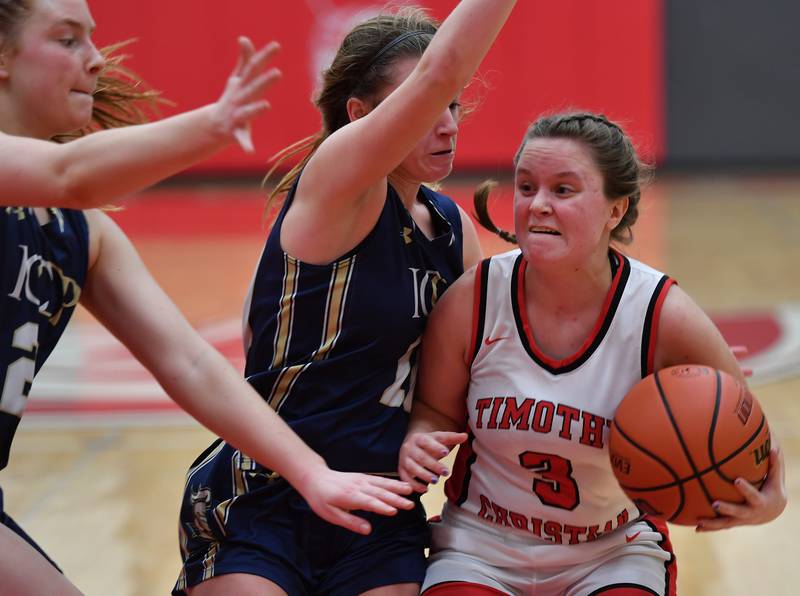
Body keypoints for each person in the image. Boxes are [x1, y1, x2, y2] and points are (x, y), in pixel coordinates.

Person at [0, 1, 418, 594]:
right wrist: (213, 124)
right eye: (68, 40)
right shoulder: (68, 192)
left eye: (92, 39)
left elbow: (190, 362)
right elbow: (69, 172)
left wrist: (311, 473)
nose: (95, 61)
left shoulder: (81, 233)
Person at [174, 1, 517, 594]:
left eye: (454, 106)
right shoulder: (339, 187)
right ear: (359, 115)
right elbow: (442, 68)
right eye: (428, 105)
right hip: (266, 495)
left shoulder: (452, 229)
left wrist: (424, 430)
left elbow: (462, 377)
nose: (447, 123)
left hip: (376, 505)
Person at [398, 111, 788, 595]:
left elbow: (748, 434)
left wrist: (769, 501)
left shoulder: (660, 313)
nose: (538, 204)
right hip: (481, 546)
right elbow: (435, 411)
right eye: (526, 187)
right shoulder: (474, 299)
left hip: (611, 552)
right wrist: (420, 438)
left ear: (615, 210)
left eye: (563, 190)